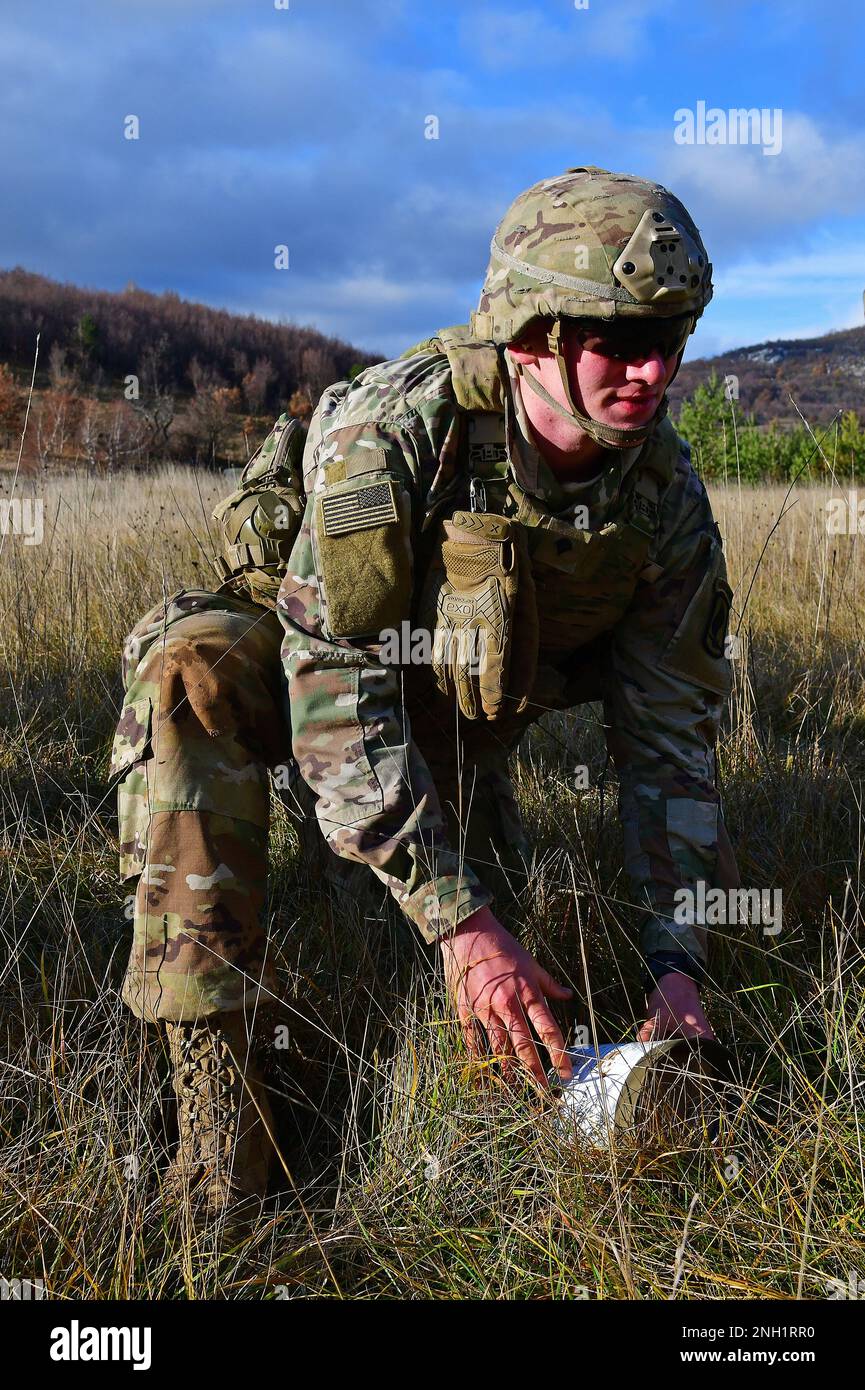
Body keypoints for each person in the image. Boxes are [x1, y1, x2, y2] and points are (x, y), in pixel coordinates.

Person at [110, 165, 739, 1223]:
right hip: (307, 658)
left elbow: (672, 745)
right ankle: (220, 1110)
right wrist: (457, 919)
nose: (649, 371)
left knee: (507, 1022)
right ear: (532, 335)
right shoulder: (400, 430)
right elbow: (332, 680)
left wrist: (680, 960)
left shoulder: (663, 501)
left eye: (667, 341)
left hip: (454, 718)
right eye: (615, 341)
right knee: (187, 676)